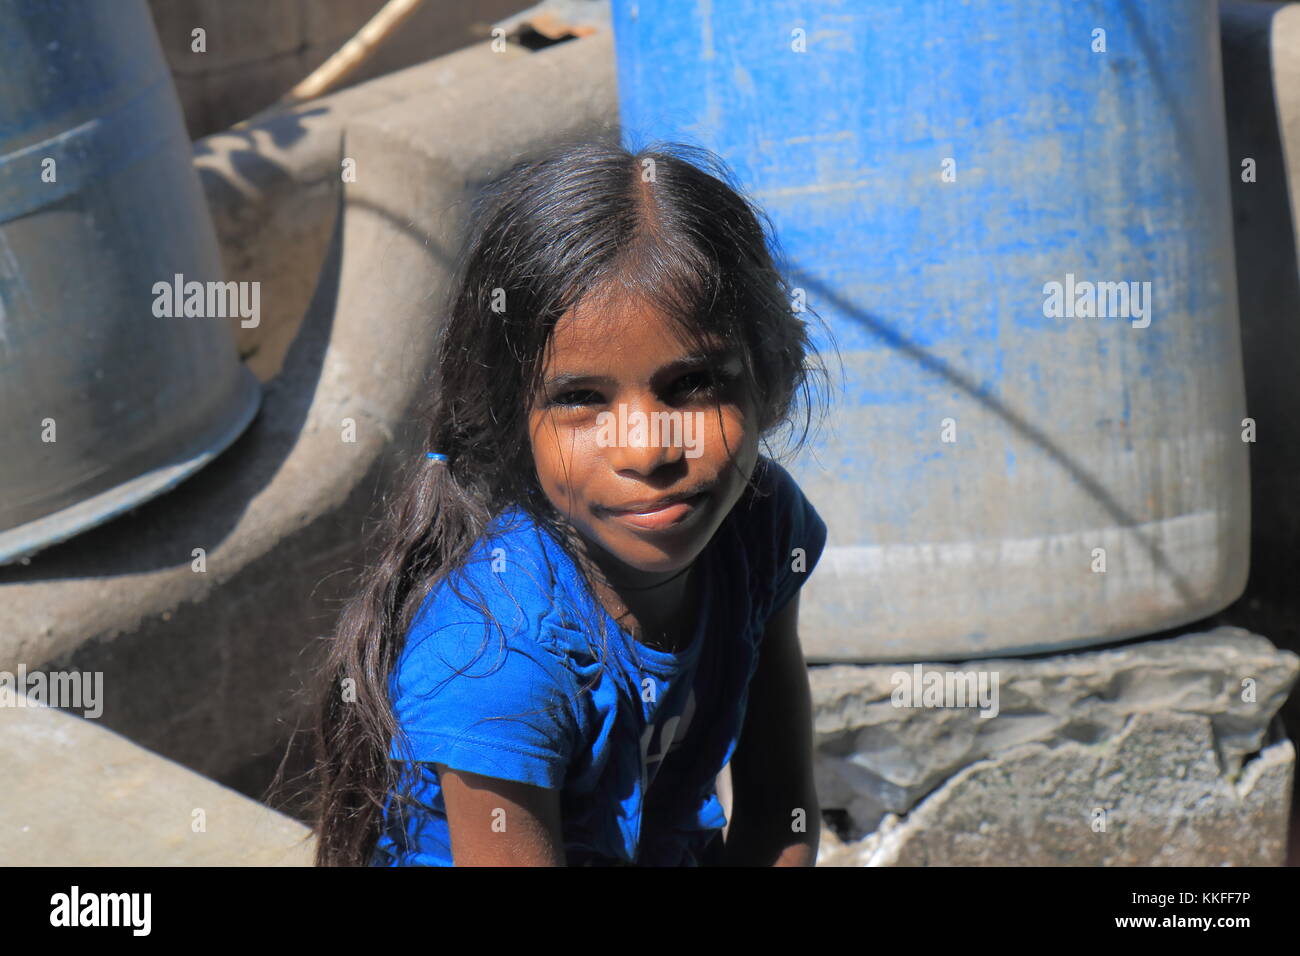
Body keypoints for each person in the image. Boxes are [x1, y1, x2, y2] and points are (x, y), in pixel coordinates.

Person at [307, 133, 836, 866]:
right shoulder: (499, 655)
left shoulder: (762, 525)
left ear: (769, 380)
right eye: (580, 399)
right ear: (511, 421)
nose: (647, 450)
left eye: (694, 384)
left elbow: (779, 811)